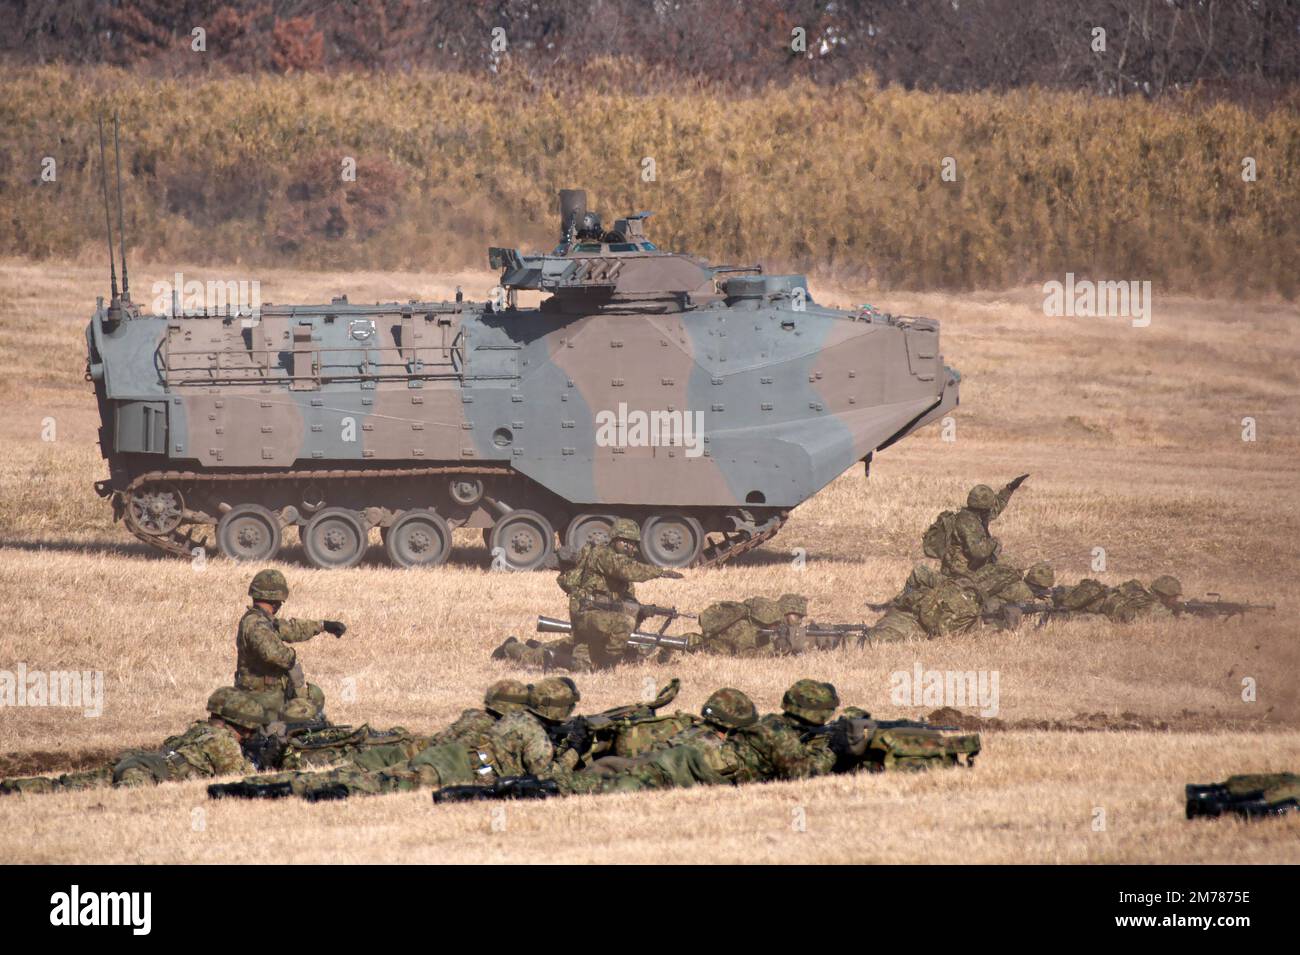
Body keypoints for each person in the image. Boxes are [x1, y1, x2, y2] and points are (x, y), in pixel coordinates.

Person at [492, 519, 681, 670]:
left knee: (552, 658)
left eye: (633, 544)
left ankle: (512, 647)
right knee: (624, 625)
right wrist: (659, 572)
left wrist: (643, 611)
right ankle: (606, 667)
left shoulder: (622, 576)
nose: (631, 548)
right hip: (588, 614)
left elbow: (625, 601)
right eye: (627, 542)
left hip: (598, 622)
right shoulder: (602, 555)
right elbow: (626, 569)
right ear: (615, 540)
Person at [1, 690, 262, 794]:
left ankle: (13, 788)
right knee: (122, 799)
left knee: (65, 785)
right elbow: (236, 779)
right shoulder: (224, 742)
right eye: (249, 731)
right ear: (241, 725)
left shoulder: (196, 732)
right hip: (147, 772)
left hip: (135, 760)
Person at [236, 569, 345, 719]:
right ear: (275, 601)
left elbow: (291, 629)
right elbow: (276, 655)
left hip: (268, 698)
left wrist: (323, 625)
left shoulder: (263, 620)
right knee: (309, 712)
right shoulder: (256, 625)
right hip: (260, 702)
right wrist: (293, 657)